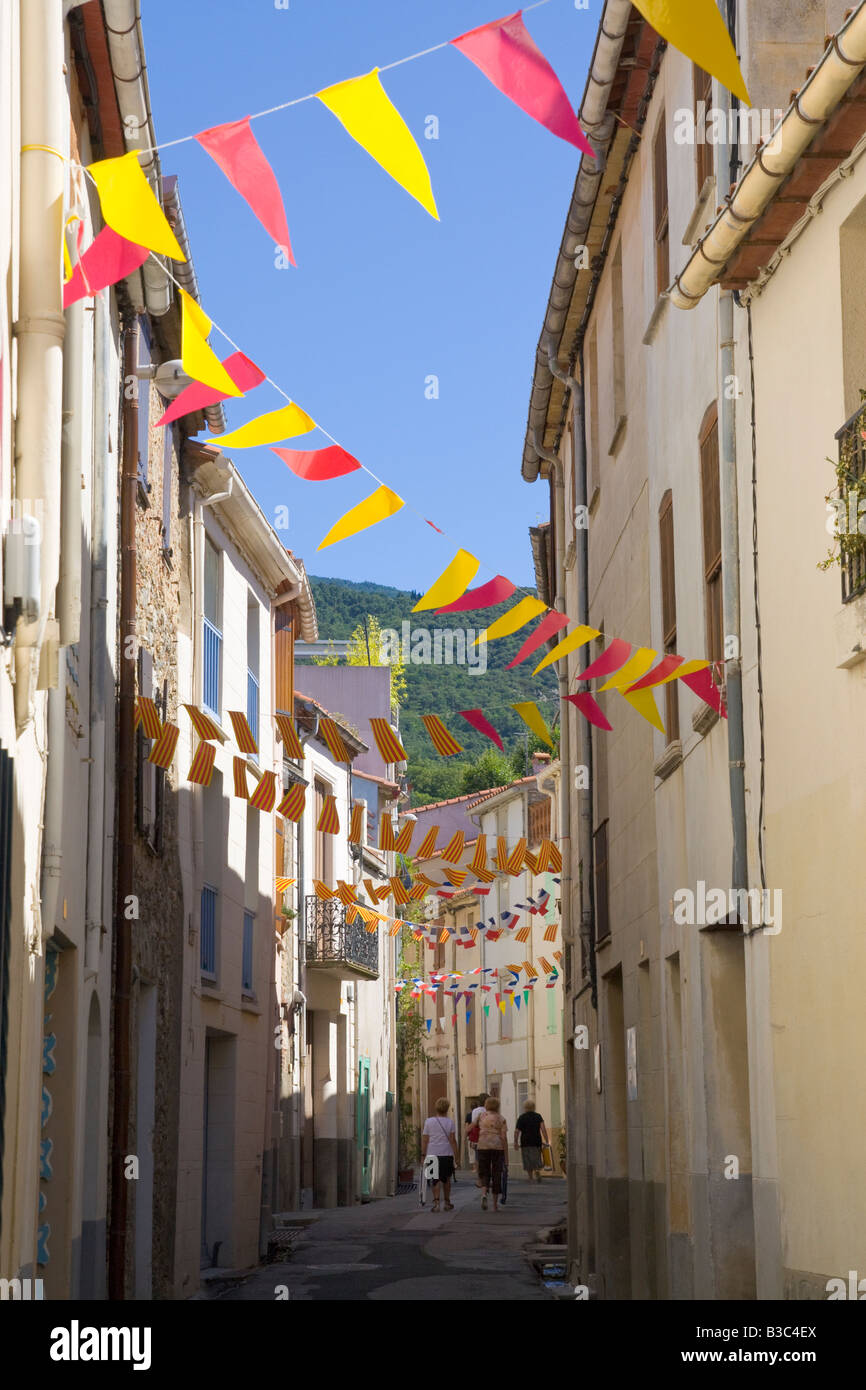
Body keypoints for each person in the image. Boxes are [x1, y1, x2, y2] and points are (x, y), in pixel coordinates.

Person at [421, 1097, 460, 1212]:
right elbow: (453, 1140)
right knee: (446, 1179)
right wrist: (456, 1157)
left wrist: (423, 1155)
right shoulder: (450, 1122)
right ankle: (447, 1203)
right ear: (447, 1109)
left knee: (434, 1179)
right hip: (446, 1154)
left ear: (436, 1108)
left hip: (432, 1154)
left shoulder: (428, 1122)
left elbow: (425, 1140)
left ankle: (436, 1203)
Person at [476, 1096, 508, 1212]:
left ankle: (484, 1194)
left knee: (484, 1172)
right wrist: (506, 1158)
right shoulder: (501, 1119)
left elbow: (470, 1128)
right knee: (496, 1174)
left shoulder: (481, 1116)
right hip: (497, 1148)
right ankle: (495, 1205)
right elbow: (503, 1138)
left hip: (483, 1146)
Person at [514, 1099, 549, 1182]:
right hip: (536, 1140)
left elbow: (517, 1131)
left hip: (525, 1141)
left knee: (527, 1158)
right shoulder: (538, 1116)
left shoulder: (521, 1117)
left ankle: (530, 1177)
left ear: (525, 1107)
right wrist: (546, 1139)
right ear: (534, 1107)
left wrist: (515, 1141)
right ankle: (537, 1170)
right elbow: (543, 1129)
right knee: (536, 1156)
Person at [465, 1091, 488, 1179]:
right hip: (486, 1134)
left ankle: (479, 1173)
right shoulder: (488, 1110)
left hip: (477, 1136)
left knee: (478, 1155)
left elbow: (473, 1123)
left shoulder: (475, 1111)